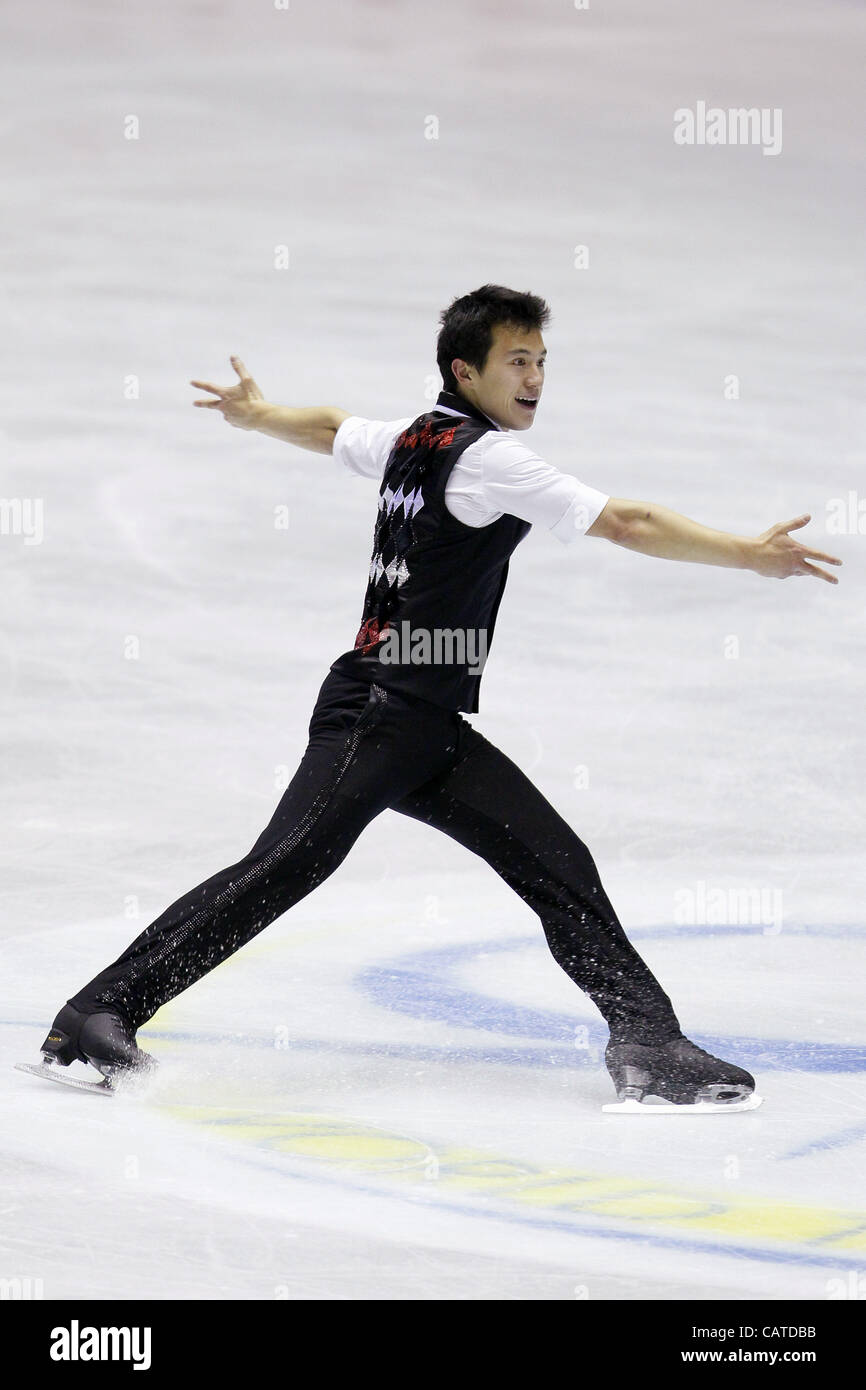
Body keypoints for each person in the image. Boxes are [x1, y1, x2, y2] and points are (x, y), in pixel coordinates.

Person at [37, 285, 841, 1107]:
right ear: (466, 369)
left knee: (558, 866)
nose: (533, 379)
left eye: (539, 361)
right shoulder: (492, 460)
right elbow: (627, 522)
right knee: (283, 867)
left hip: (422, 725)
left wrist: (261, 415)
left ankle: (649, 1039)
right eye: (515, 362)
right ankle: (100, 1008)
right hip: (378, 713)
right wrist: (747, 554)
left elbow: (329, 429)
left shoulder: (414, 436)